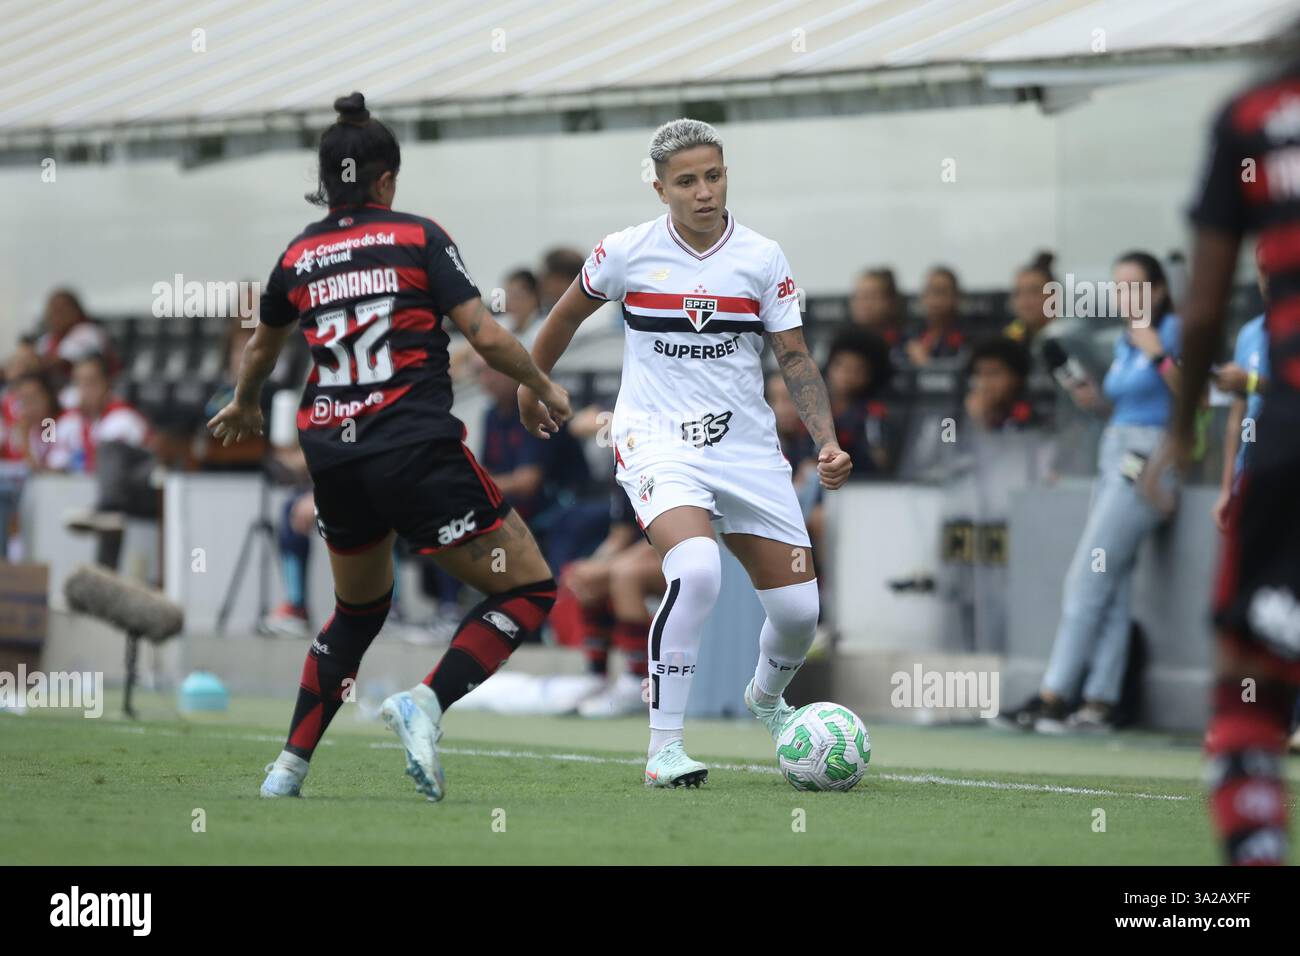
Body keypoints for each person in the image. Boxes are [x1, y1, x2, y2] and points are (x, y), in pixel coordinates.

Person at [208, 92, 571, 803]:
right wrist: (543, 385)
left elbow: (261, 347)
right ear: (385, 181)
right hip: (412, 447)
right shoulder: (417, 237)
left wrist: (245, 404)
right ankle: (425, 703)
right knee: (529, 587)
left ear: (326, 182)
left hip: (334, 456)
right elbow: (487, 337)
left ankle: (287, 769)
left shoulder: (300, 253)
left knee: (358, 612)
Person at [519, 117, 851, 788]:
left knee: (797, 614)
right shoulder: (624, 252)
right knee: (696, 570)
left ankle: (765, 700)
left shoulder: (762, 257)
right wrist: (534, 385)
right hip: (656, 440)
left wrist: (827, 441)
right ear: (660, 188)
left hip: (747, 450)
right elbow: (561, 317)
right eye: (688, 181)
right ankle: (663, 748)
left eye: (715, 175)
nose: (705, 192)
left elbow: (794, 357)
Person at [1148, 39, 1300, 865]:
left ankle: (1255, 857)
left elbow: (1200, 309)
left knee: (1250, 671)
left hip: (1292, 424)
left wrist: (1182, 431)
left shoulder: (1250, 116)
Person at [1001, 251, 1182, 733]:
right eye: (1118, 287)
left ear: (1159, 291)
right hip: (1116, 453)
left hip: (1150, 461)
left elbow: (1195, 397)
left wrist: (1158, 351)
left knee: (1086, 578)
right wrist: (1091, 400)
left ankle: (1054, 694)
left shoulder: (1170, 333)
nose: (1125, 297)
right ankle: (1100, 702)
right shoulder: (1126, 340)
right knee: (1113, 584)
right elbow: (1124, 407)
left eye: (1135, 287)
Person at [1211, 246, 1269, 532]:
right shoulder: (1250, 332)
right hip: (1251, 478)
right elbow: (1238, 417)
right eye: (1262, 269)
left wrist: (1251, 382)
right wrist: (1227, 488)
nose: (1268, 278)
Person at [905, 266, 967, 367]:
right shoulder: (911, 334)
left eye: (941, 292)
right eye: (929, 291)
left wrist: (927, 364)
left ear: (956, 297)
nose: (934, 300)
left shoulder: (969, 337)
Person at [848, 268, 906, 355]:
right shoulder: (845, 345)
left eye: (871, 296)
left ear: (891, 302)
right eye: (858, 296)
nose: (862, 303)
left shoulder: (906, 345)